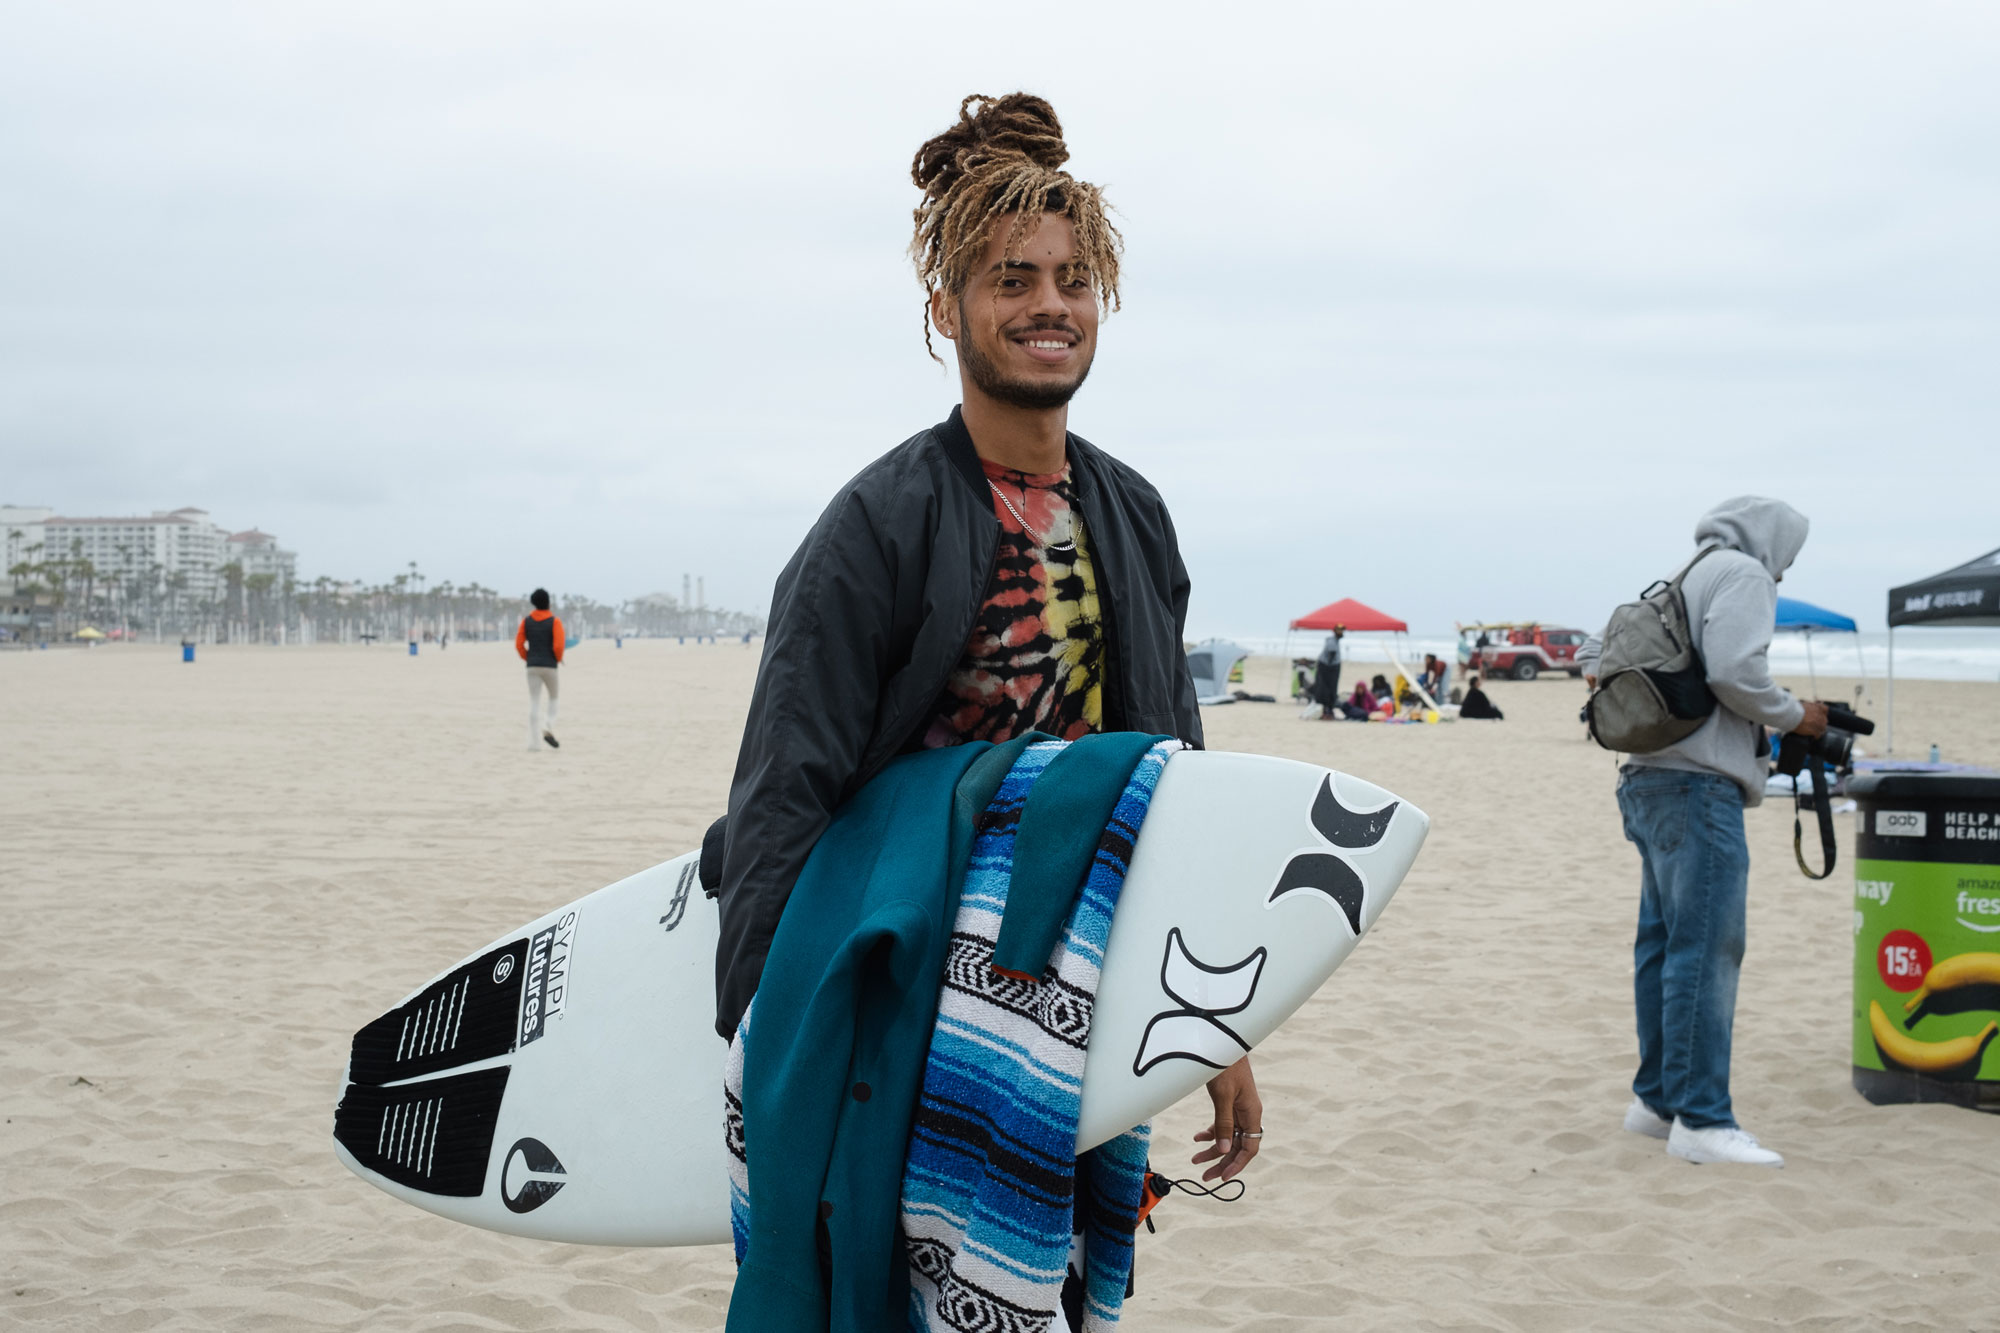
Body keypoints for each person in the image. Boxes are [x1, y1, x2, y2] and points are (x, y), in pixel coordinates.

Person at [711, 93, 1264, 1183]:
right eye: (1010, 280)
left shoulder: (1133, 515)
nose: (1046, 305)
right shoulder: (875, 525)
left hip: (1086, 986)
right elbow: (786, 790)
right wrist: (762, 1038)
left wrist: (1218, 1022)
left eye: (1070, 279)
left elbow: (1174, 773)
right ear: (944, 309)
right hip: (910, 992)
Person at [1606, 498, 1827, 1168]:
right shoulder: (1745, 575)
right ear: (1776, 540)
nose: (1786, 569)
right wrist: (1797, 716)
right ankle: (1701, 1118)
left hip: (1647, 776)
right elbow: (1735, 671)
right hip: (1699, 785)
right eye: (1790, 553)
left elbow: (1605, 651)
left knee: (1663, 943)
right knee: (1707, 948)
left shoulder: (1684, 571)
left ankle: (1656, 1101)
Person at [515, 588, 564, 750]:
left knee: (534, 702)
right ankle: (547, 726)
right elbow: (558, 646)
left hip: (532, 666)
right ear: (548, 602)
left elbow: (519, 644)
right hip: (550, 666)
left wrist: (527, 657)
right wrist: (557, 658)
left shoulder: (526, 621)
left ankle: (533, 743)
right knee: (554, 697)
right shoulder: (555, 621)